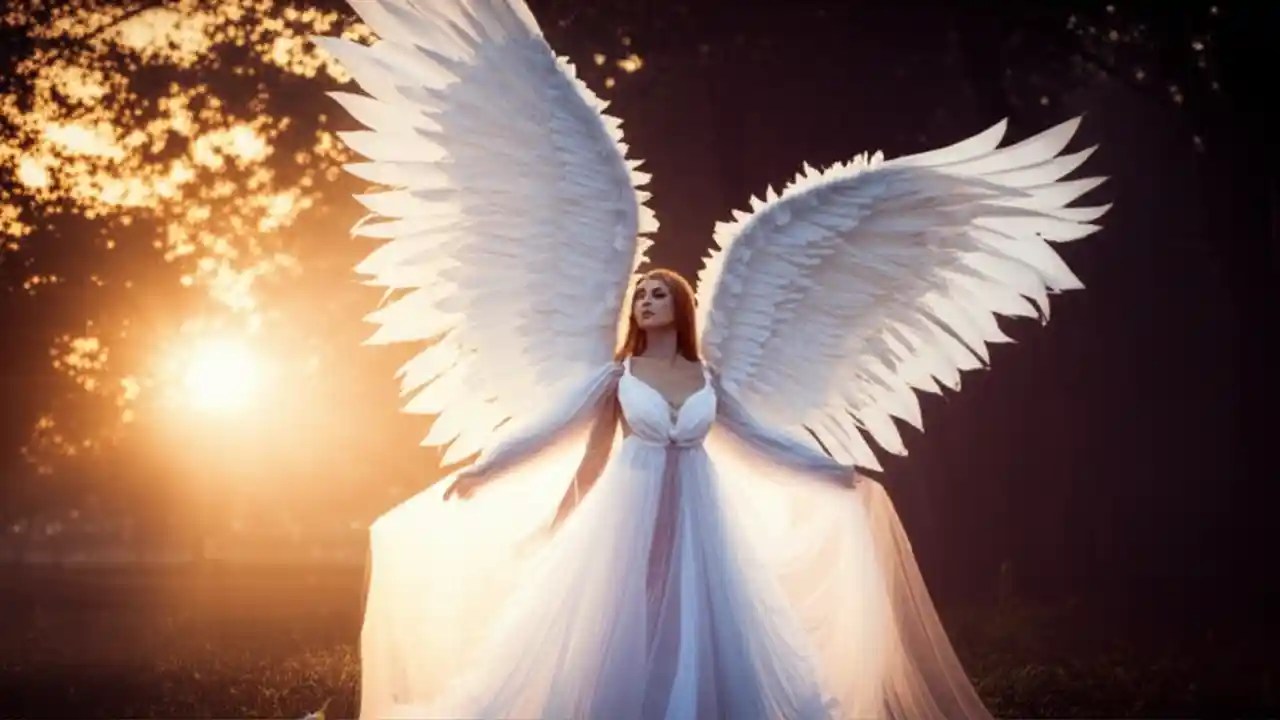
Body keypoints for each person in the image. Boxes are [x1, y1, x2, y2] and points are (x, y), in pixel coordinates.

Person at [318, 1, 1107, 717]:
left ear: (680, 308)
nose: (646, 302)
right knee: (612, 623)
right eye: (642, 297)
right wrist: (488, 471)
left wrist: (833, 473)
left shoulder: (709, 381)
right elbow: (568, 437)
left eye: (659, 296)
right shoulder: (613, 376)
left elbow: (759, 440)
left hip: (700, 516)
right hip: (621, 516)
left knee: (701, 621)